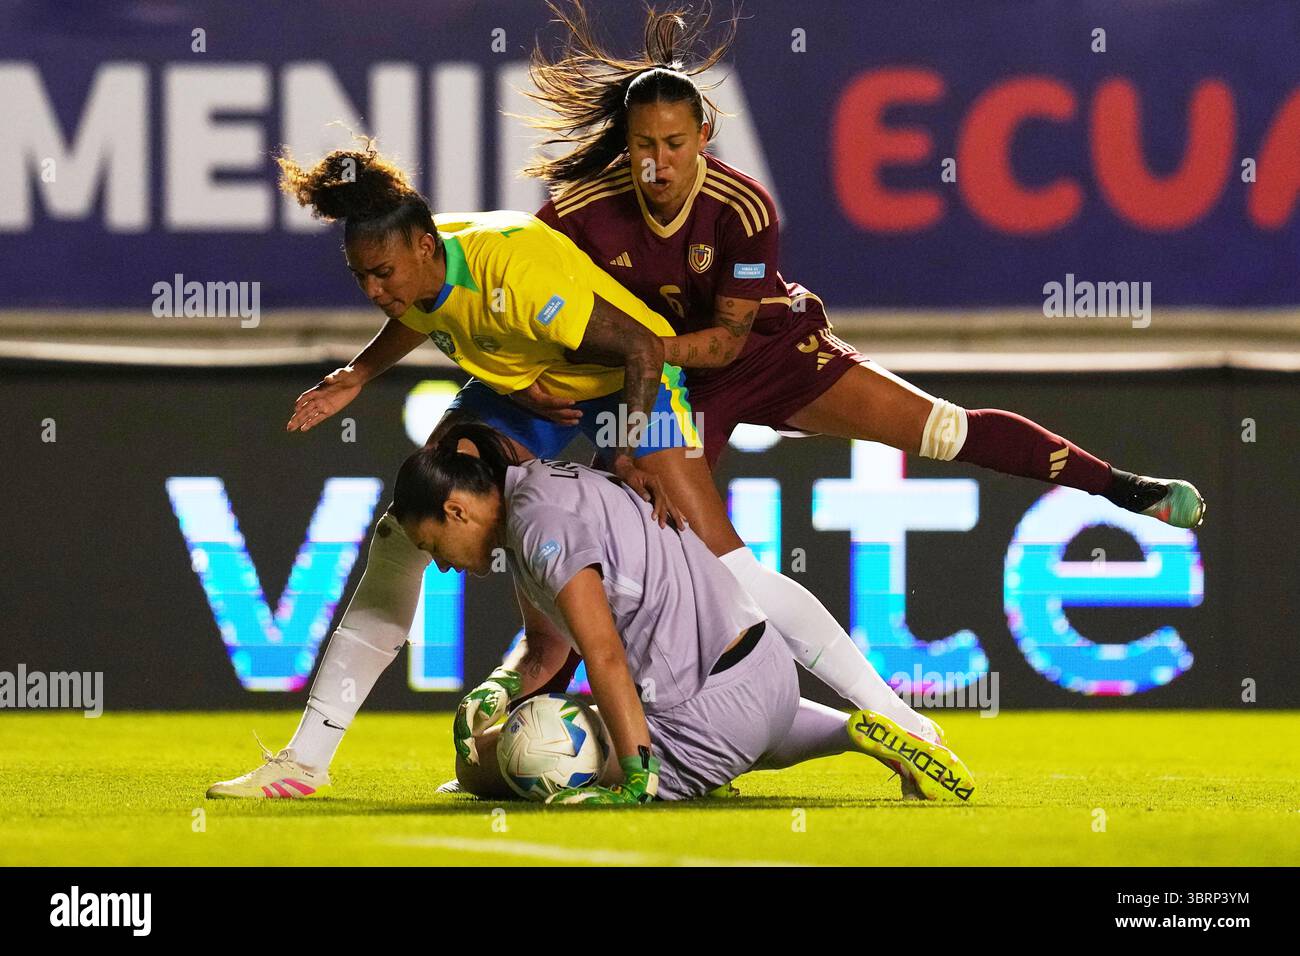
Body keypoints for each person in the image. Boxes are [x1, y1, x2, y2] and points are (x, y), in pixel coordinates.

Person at [204, 138, 951, 800]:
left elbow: (639, 346)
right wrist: (360, 374)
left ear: (427, 248)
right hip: (525, 387)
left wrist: (627, 449)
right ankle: (306, 761)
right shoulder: (420, 267)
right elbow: (418, 312)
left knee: (724, 569)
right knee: (402, 531)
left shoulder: (516, 272)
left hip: (626, 380)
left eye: (384, 273)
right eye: (363, 277)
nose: (376, 291)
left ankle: (896, 717)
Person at [513, 0, 1207, 530]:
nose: (656, 163)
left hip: (769, 354)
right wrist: (529, 371)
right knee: (638, 525)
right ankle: (537, 687)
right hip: (670, 384)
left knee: (942, 430)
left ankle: (1122, 487)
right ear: (624, 142)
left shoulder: (743, 209)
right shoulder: (576, 210)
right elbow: (511, 289)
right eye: (641, 145)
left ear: (704, 135)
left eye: (672, 143)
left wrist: (638, 349)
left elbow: (727, 341)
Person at [230, 423, 978, 804]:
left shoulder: (536, 528)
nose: (446, 564)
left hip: (704, 713)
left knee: (505, 761)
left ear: (457, 507)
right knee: (495, 737)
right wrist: (492, 692)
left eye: (434, 544)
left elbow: (603, 653)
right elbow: (546, 654)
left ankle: (668, 764)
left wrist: (637, 774)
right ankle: (854, 732)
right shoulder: (543, 492)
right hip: (770, 679)